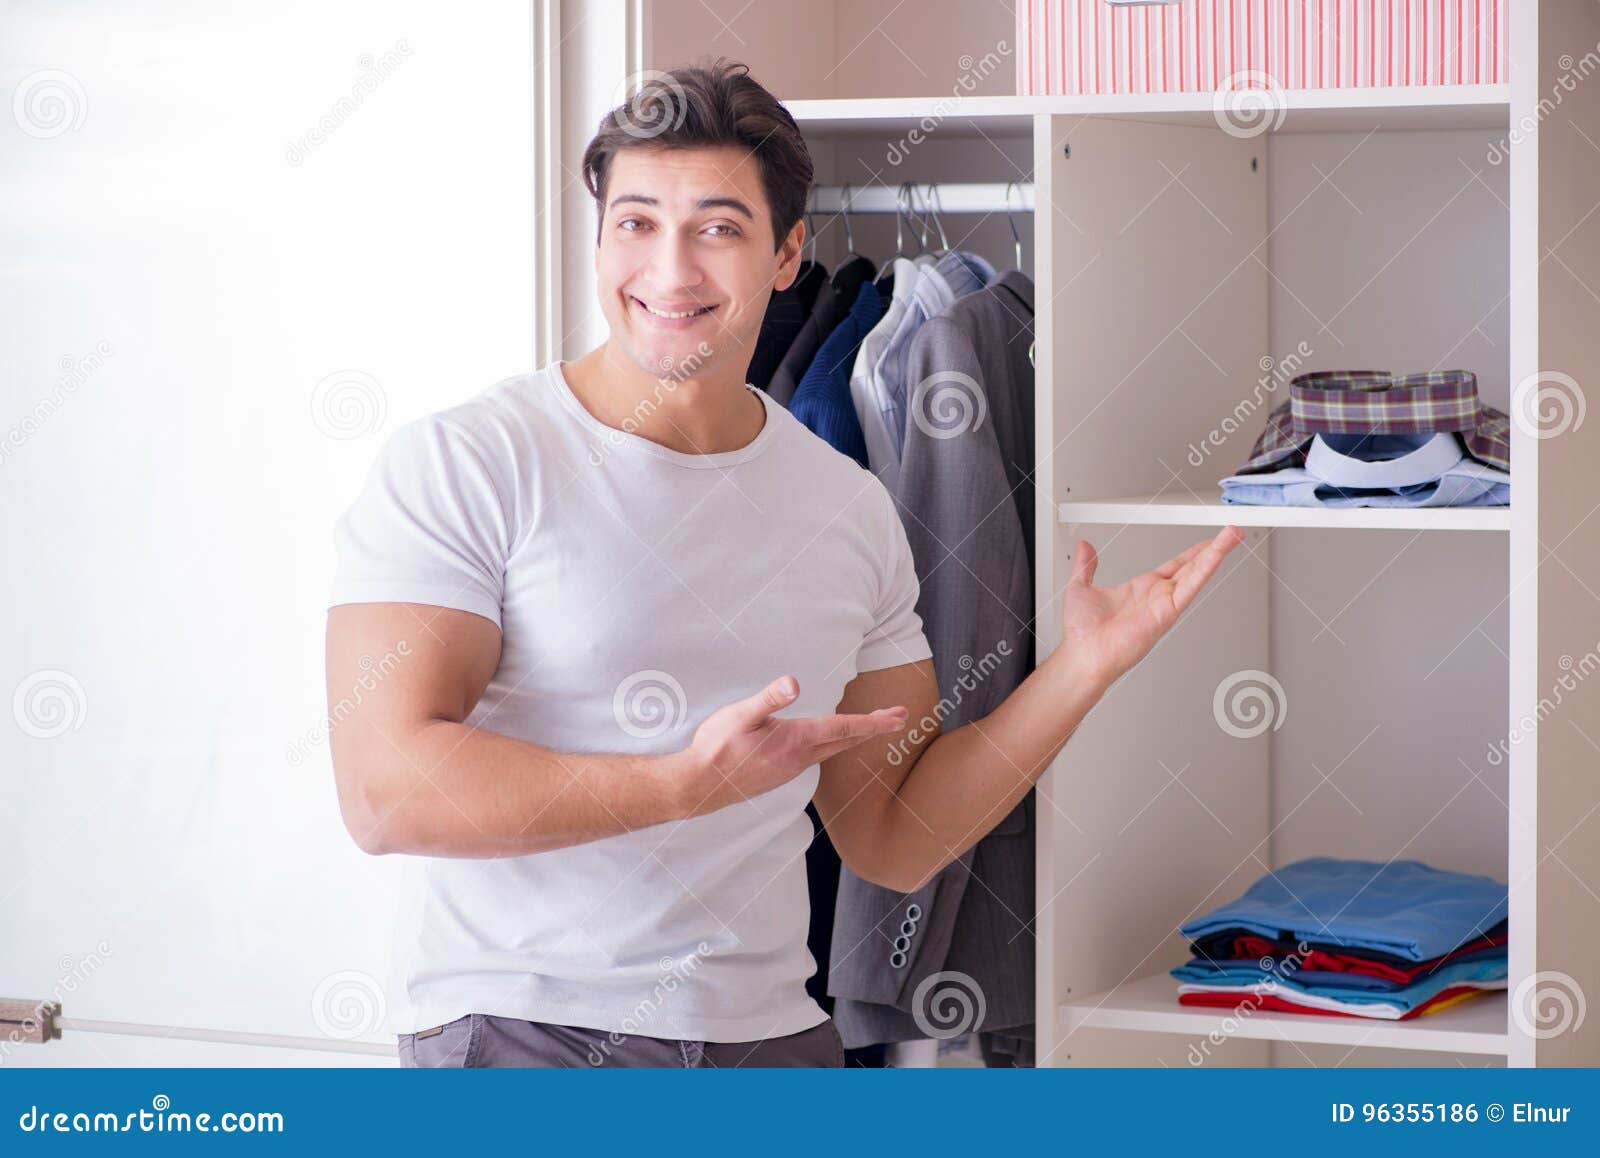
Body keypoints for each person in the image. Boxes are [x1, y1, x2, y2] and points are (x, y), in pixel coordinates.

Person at [324, 57, 1243, 1068]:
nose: (670, 270)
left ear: (785, 254)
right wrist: (679, 784)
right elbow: (385, 786)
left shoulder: (845, 506)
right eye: (636, 223)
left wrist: (1080, 669)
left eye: (716, 228)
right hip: (526, 1035)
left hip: (774, 1044)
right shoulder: (469, 460)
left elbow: (892, 832)